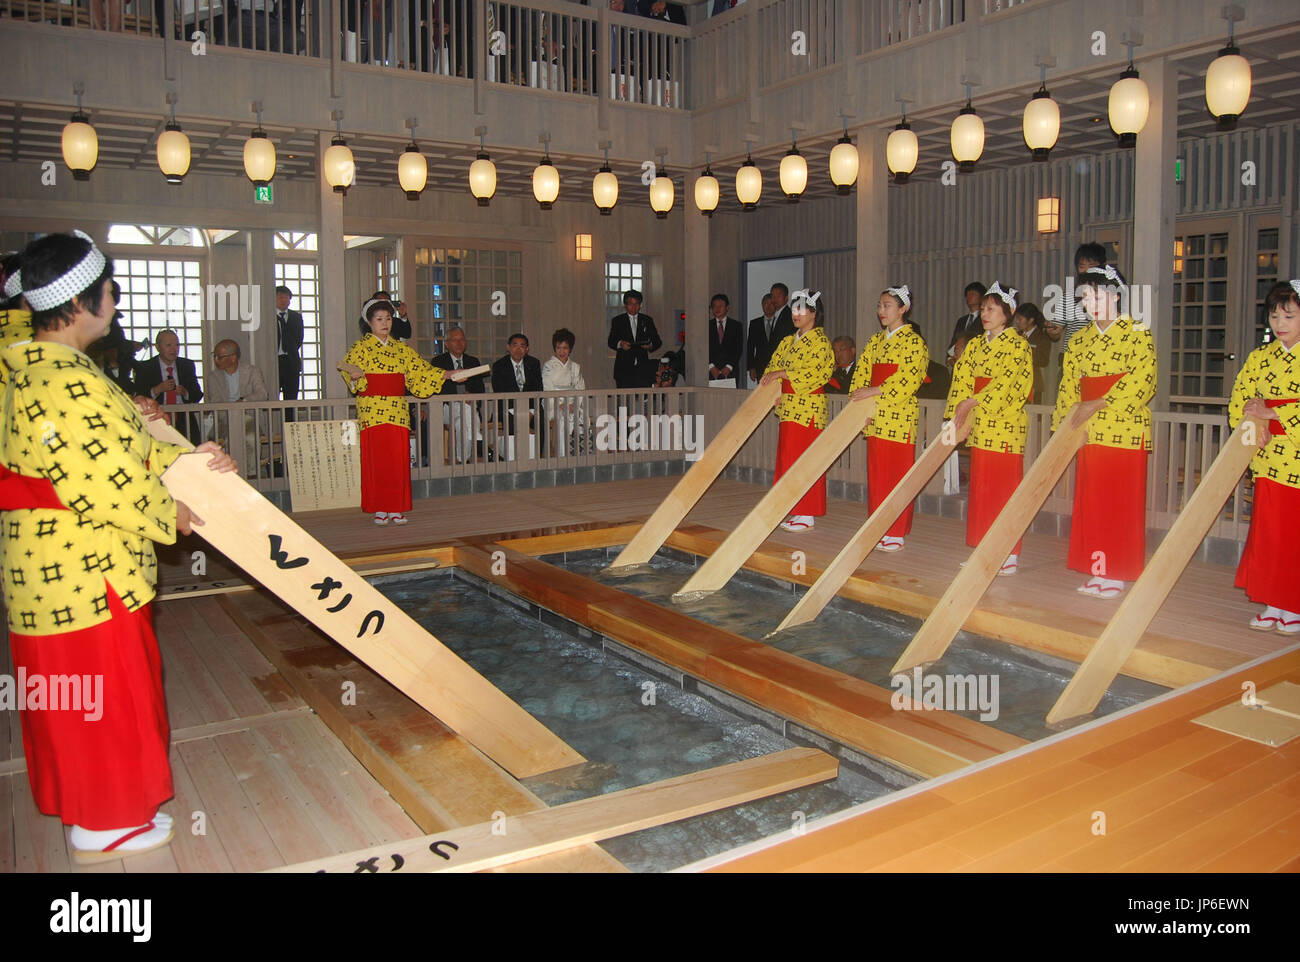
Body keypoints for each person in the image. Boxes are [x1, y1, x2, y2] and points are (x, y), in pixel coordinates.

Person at [0, 231, 236, 863]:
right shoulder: (64, 383)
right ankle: (105, 822)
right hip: (84, 565)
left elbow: (123, 445)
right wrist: (173, 514)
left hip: (51, 564)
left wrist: (190, 455)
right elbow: (104, 480)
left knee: (70, 691)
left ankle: (92, 808)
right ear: (80, 303)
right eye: (111, 292)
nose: (117, 303)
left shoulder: (34, 364)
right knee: (102, 690)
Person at [1051, 265, 1156, 598]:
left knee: (1119, 502)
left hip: (1121, 426)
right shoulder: (1080, 339)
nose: (1091, 301)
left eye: (1097, 294)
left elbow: (1143, 380)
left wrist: (1097, 403)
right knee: (1092, 502)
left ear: (1115, 295)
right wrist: (1064, 429)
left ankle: (1116, 572)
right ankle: (1097, 569)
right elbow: (1068, 386)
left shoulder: (1138, 332)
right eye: (1085, 296)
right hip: (1088, 427)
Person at [338, 298, 467, 525]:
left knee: (397, 460)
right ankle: (380, 508)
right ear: (369, 323)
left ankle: (396, 507)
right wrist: (355, 377)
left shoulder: (402, 350)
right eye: (379, 319)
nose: (385, 323)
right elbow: (348, 371)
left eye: (388, 318)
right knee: (378, 461)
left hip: (397, 409)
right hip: (373, 410)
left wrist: (449, 374)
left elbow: (423, 372)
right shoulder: (360, 349)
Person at [946, 282, 1034, 576]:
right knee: (982, 489)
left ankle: (1007, 553)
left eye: (992, 308)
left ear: (1007, 313)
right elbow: (961, 378)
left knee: (1003, 489)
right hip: (979, 421)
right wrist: (957, 415)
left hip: (1004, 423)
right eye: (983, 308)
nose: (985, 313)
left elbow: (1009, 385)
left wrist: (973, 401)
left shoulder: (1018, 345)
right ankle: (984, 549)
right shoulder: (974, 345)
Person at [1228, 280, 1300, 634]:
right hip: (1269, 454)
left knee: (1294, 533)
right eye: (1274, 315)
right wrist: (1253, 418)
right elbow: (1241, 395)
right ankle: (1273, 601)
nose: (1280, 322)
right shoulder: (1261, 357)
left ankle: (1294, 605)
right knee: (1269, 531)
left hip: (1297, 456)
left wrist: (1276, 415)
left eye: (1289, 315)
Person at [850, 286, 929, 551]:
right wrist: (860, 400)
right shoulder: (875, 341)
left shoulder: (914, 342)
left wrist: (873, 390)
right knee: (878, 473)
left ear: (902, 309)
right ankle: (877, 526)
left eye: (887, 306)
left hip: (899, 414)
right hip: (875, 412)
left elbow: (909, 377)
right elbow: (861, 371)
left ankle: (895, 531)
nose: (881, 311)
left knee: (896, 473)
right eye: (880, 306)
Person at [761, 289, 834, 532]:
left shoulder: (821, 343)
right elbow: (772, 366)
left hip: (808, 408)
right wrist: (772, 385)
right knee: (788, 458)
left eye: (801, 309)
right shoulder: (788, 341)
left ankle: (807, 513)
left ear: (814, 313)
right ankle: (794, 508)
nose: (796, 314)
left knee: (805, 459)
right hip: (789, 406)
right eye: (794, 309)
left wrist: (782, 374)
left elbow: (817, 374)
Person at [134, 328, 203, 443]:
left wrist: (185, 392)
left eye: (177, 345)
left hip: (183, 419)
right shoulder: (145, 368)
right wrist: (157, 390)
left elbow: (197, 395)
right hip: (156, 418)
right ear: (157, 347)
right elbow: (139, 396)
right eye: (169, 345)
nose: (174, 349)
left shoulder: (186, 365)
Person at [431, 326, 488, 463]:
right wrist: (460, 398)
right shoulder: (438, 362)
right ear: (447, 344)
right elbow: (437, 389)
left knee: (462, 422)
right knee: (466, 412)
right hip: (446, 408)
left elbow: (480, 389)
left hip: (468, 409)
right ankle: (475, 436)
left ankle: (462, 460)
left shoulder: (473, 362)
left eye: (462, 340)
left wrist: (470, 396)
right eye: (454, 340)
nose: (459, 343)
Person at [491, 332, 546, 459]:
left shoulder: (534, 363)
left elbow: (538, 389)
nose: (518, 349)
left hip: (530, 407)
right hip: (508, 407)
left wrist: (531, 412)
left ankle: (537, 457)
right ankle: (512, 459)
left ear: (527, 349)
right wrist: (516, 412)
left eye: (522, 346)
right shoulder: (499, 365)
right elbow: (500, 391)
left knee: (541, 419)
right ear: (508, 347)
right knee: (511, 422)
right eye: (515, 345)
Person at [542, 327, 587, 455]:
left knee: (583, 418)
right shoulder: (548, 366)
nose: (562, 351)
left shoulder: (575, 367)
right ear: (554, 349)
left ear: (570, 349)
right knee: (564, 419)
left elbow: (580, 388)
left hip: (573, 403)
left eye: (565, 348)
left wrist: (575, 404)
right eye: (558, 348)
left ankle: (580, 453)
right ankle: (564, 455)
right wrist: (561, 404)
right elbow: (548, 387)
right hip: (555, 403)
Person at [608, 289, 662, 388]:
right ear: (625, 305)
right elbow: (611, 341)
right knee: (624, 399)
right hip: (623, 368)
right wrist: (620, 344)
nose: (634, 307)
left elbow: (657, 341)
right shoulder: (618, 321)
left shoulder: (647, 320)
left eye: (637, 304)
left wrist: (649, 346)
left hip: (643, 367)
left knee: (643, 398)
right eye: (631, 304)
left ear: (640, 305)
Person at [204, 338, 269, 403]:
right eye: (214, 356)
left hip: (248, 411)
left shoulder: (252, 371)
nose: (216, 360)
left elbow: (262, 394)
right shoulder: (213, 376)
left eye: (220, 357)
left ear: (233, 358)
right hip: (224, 412)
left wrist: (243, 400)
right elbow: (215, 400)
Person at [1013, 302, 1053, 403]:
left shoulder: (1042, 336)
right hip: (1014, 382)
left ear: (1030, 320)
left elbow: (1044, 361)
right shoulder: (1015, 336)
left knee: (1031, 415)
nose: (1017, 322)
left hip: (1033, 383)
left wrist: (1025, 348)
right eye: (1017, 319)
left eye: (1020, 319)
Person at [275, 285, 304, 401]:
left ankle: (290, 419)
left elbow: (299, 339)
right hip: (274, 361)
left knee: (291, 399)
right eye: (280, 297)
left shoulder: (296, 316)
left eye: (286, 298)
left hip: (291, 362)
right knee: (272, 398)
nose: (284, 300)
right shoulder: (267, 316)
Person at [947, 282, 986, 367]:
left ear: (981, 297)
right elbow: (954, 341)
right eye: (967, 295)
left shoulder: (985, 320)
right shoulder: (962, 320)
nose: (969, 297)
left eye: (972, 294)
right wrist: (950, 357)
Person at [707, 293, 742, 386]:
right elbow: (703, 349)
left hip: (731, 371)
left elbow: (738, 349)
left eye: (720, 306)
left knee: (730, 399)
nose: (717, 309)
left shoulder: (736, 326)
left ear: (727, 307)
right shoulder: (706, 326)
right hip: (711, 371)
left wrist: (729, 367)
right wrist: (711, 367)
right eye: (714, 306)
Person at [747, 293, 780, 386]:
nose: (768, 306)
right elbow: (750, 347)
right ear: (762, 305)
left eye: (771, 304)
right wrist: (751, 367)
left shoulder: (780, 322)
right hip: (760, 366)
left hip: (778, 366)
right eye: (765, 303)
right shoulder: (755, 323)